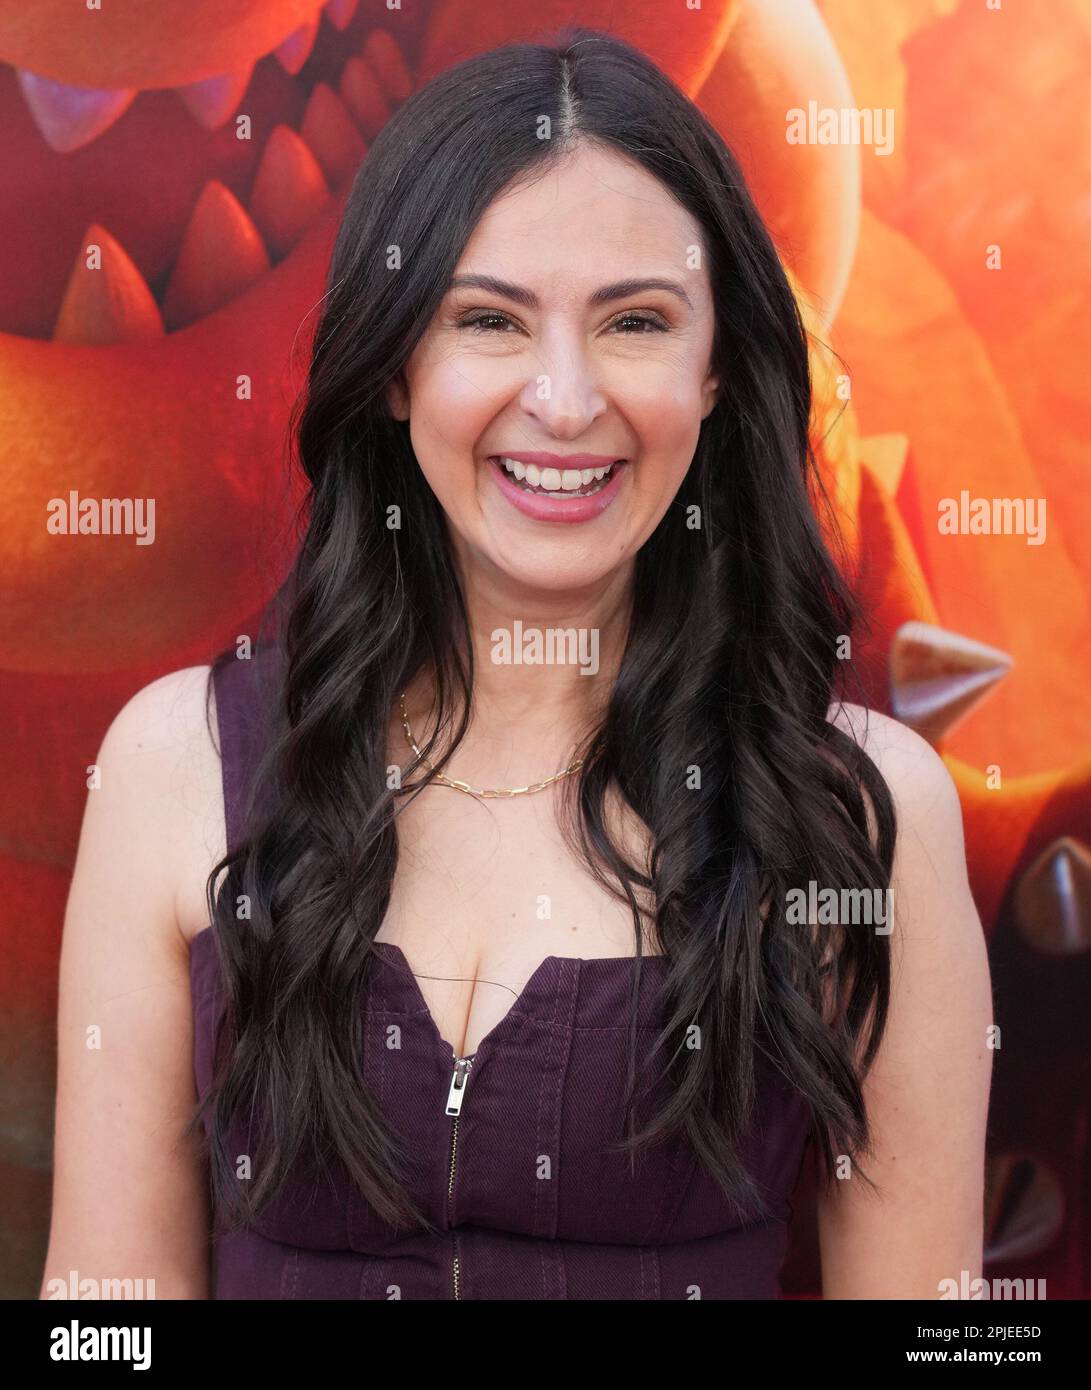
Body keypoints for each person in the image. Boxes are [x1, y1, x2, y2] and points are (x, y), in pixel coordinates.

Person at [40, 26, 992, 1300]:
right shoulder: (172, 765)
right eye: (487, 319)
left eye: (635, 322)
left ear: (715, 372)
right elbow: (102, 1321)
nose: (561, 398)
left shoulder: (868, 820)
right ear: (392, 368)